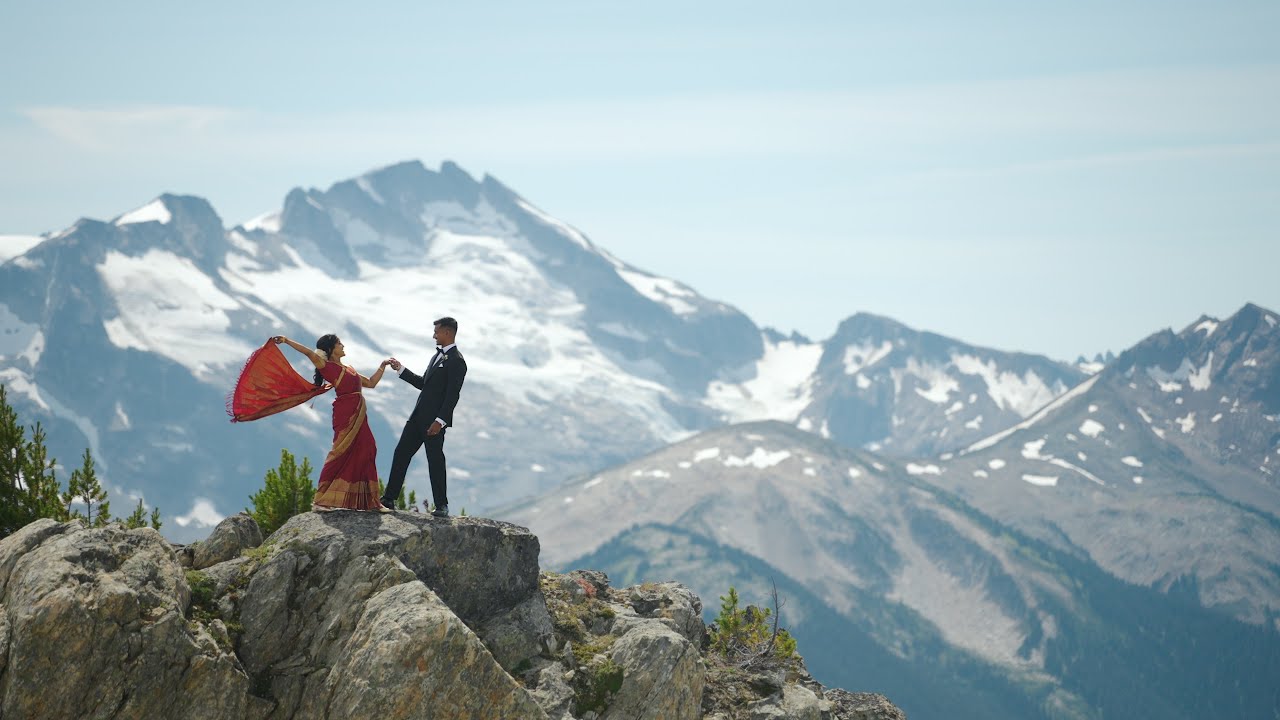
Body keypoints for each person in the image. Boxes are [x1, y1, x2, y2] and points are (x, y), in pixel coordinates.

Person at [273, 334, 394, 513]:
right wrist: (286, 340)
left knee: (368, 448)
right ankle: (320, 500)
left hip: (359, 413)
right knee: (339, 453)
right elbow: (307, 352)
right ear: (330, 349)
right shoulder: (326, 366)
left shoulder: (349, 369)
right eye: (339, 344)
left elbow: (370, 383)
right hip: (345, 414)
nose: (343, 345)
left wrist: (382, 367)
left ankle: (370, 501)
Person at [381, 317, 468, 517]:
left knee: (435, 461)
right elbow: (423, 384)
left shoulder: (457, 361)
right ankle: (388, 499)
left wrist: (440, 421)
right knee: (401, 453)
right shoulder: (435, 357)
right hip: (416, 418)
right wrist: (401, 370)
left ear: (447, 332)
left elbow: (452, 395)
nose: (433, 335)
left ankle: (441, 506)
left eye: (436, 332)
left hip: (434, 423)